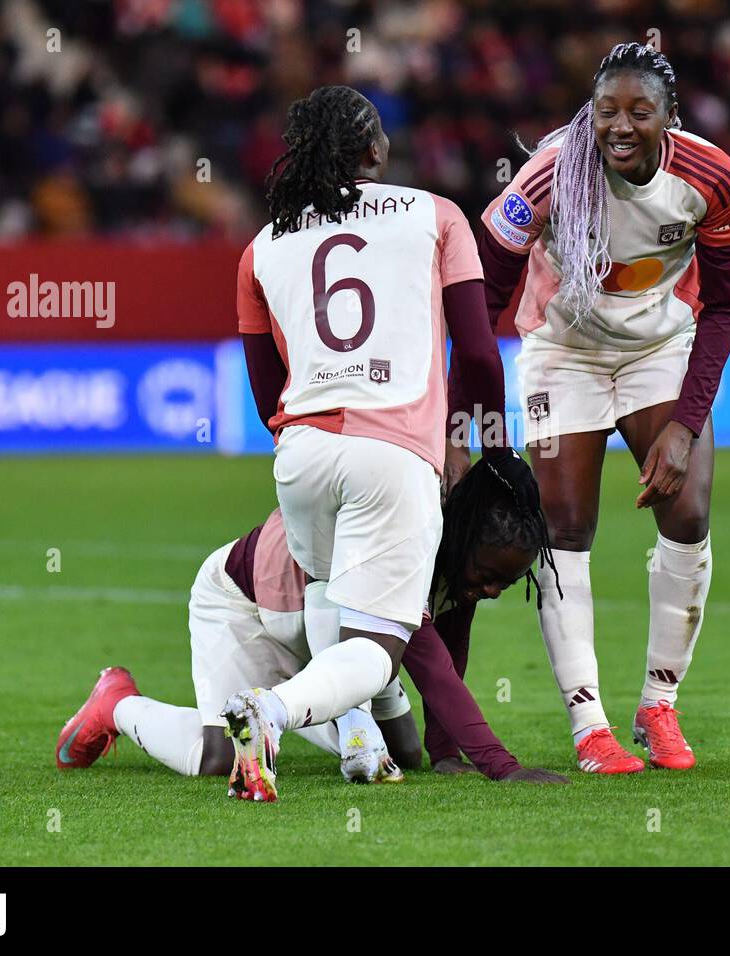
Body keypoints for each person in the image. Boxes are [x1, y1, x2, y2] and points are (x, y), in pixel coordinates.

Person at [222, 85, 519, 801]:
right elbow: (478, 354)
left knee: (331, 594)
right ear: (375, 152)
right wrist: (485, 443)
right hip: (395, 452)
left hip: (301, 453)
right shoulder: (436, 215)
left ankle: (364, 746)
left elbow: (266, 387)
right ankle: (274, 712)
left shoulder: (261, 247)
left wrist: (303, 434)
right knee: (382, 639)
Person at [478, 42, 730, 773]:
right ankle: (588, 724)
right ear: (588, 114)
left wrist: (686, 426)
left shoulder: (712, 178)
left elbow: (725, 307)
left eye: (639, 111)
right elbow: (486, 289)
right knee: (566, 527)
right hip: (562, 352)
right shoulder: (548, 178)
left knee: (688, 513)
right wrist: (466, 406)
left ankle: (658, 704)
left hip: (657, 349)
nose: (620, 126)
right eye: (606, 111)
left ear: (671, 118)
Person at [54, 459, 568, 787]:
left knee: (403, 752)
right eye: (491, 574)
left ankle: (319, 720)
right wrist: (503, 767)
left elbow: (450, 657)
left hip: (326, 622)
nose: (494, 589)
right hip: (246, 606)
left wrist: (443, 752)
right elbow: (432, 668)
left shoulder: (459, 554)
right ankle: (116, 704)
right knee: (214, 758)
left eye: (507, 581)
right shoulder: (409, 540)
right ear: (461, 538)